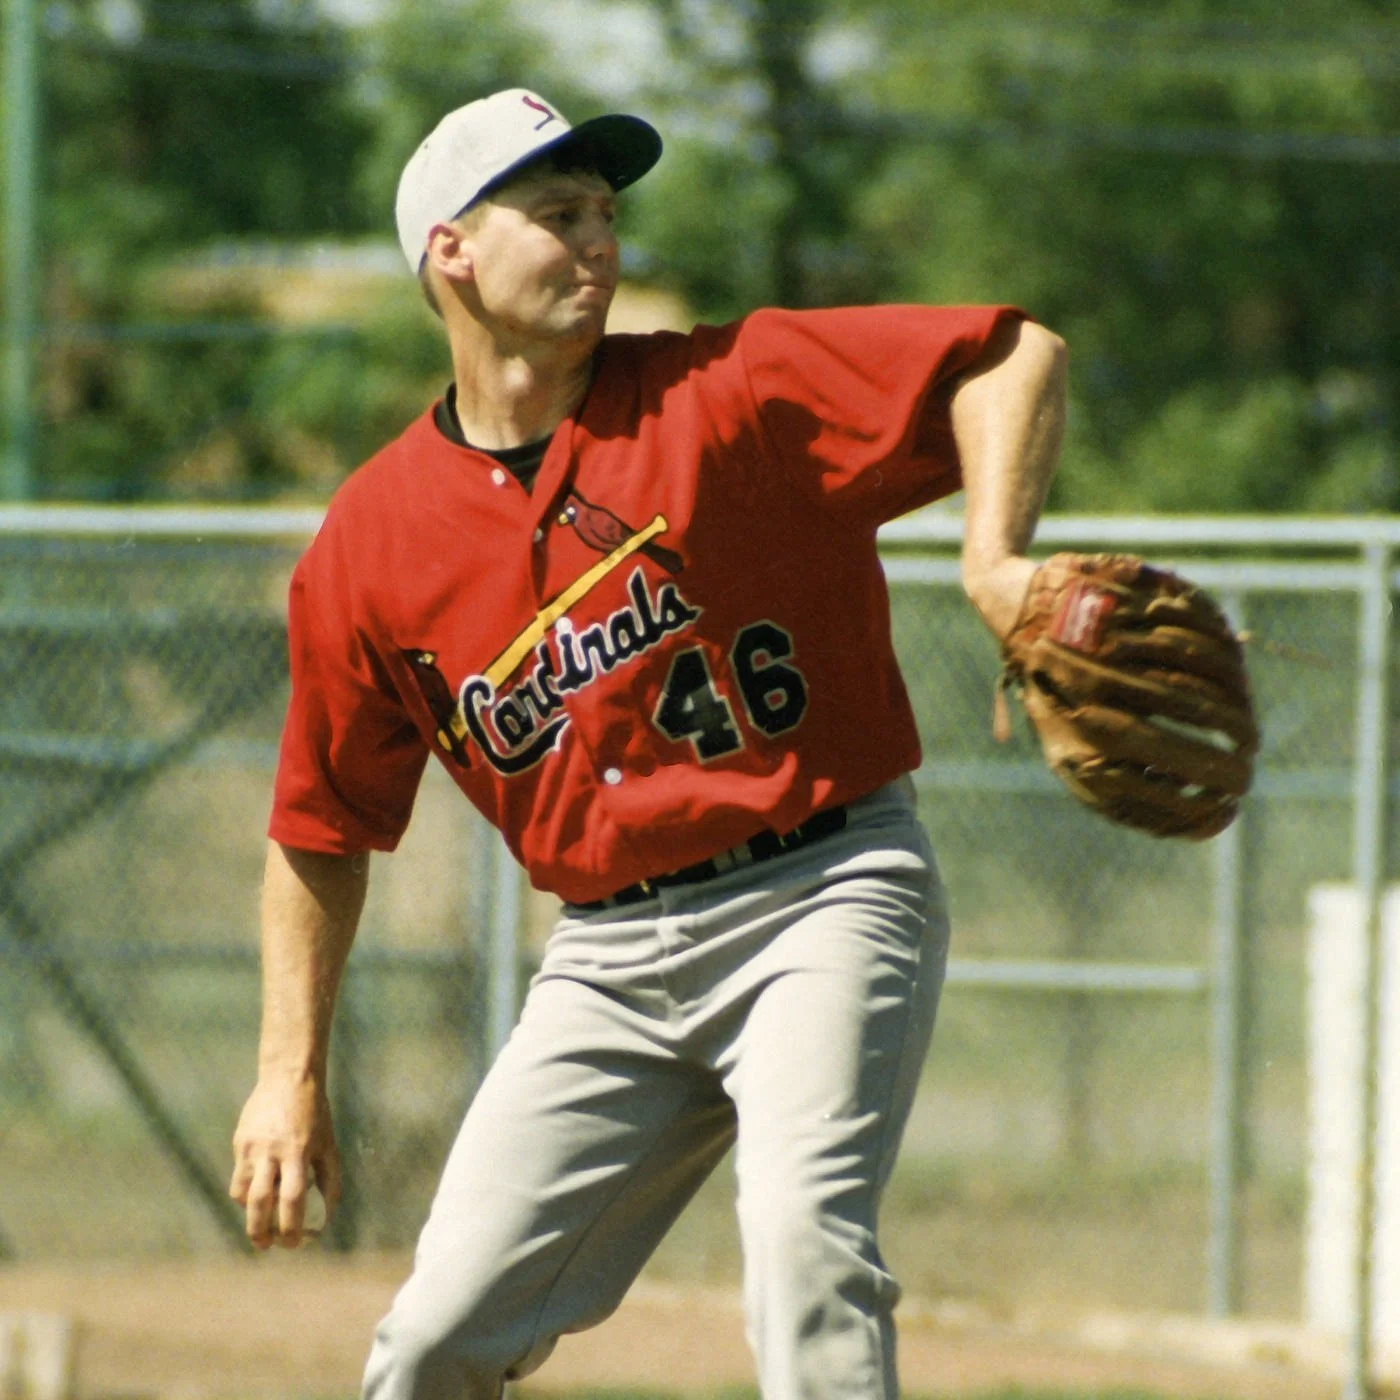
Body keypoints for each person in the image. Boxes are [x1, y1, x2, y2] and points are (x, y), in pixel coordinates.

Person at [229, 87, 1066, 1400]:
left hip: (823, 893)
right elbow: (322, 829)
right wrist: (288, 1079)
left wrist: (995, 554)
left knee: (804, 1250)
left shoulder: (718, 393)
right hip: (608, 961)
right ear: (450, 250)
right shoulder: (370, 545)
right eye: (555, 214)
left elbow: (1010, 355)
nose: (596, 243)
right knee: (432, 1342)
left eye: (606, 213)